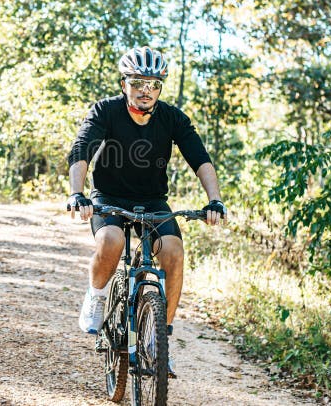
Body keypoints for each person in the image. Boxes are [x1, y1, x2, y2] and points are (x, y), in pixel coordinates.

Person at [66, 46, 227, 378]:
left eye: (153, 83)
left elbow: (200, 158)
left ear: (160, 87)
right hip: (109, 198)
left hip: (153, 202)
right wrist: (77, 193)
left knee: (174, 252)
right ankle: (97, 297)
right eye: (138, 82)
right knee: (110, 241)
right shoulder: (105, 112)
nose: (145, 90)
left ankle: (158, 339)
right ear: (124, 83)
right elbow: (82, 149)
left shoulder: (172, 118)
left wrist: (215, 200)